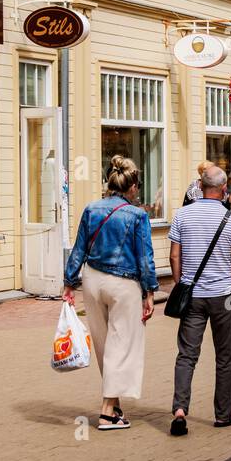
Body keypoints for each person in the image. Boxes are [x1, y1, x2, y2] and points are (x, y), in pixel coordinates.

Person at [62, 156, 157, 431]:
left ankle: (114, 407)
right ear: (133, 186)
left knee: (104, 345)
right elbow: (145, 258)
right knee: (123, 345)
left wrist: (69, 284)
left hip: (92, 280)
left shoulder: (91, 209)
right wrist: (150, 292)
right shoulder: (138, 215)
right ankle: (106, 412)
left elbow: (78, 248)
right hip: (123, 284)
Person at [168, 165, 231, 436]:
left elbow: (174, 257)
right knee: (225, 356)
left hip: (193, 295)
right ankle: (223, 415)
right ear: (224, 189)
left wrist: (182, 283)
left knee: (187, 354)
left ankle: (180, 410)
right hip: (224, 296)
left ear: (200, 186)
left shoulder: (182, 215)